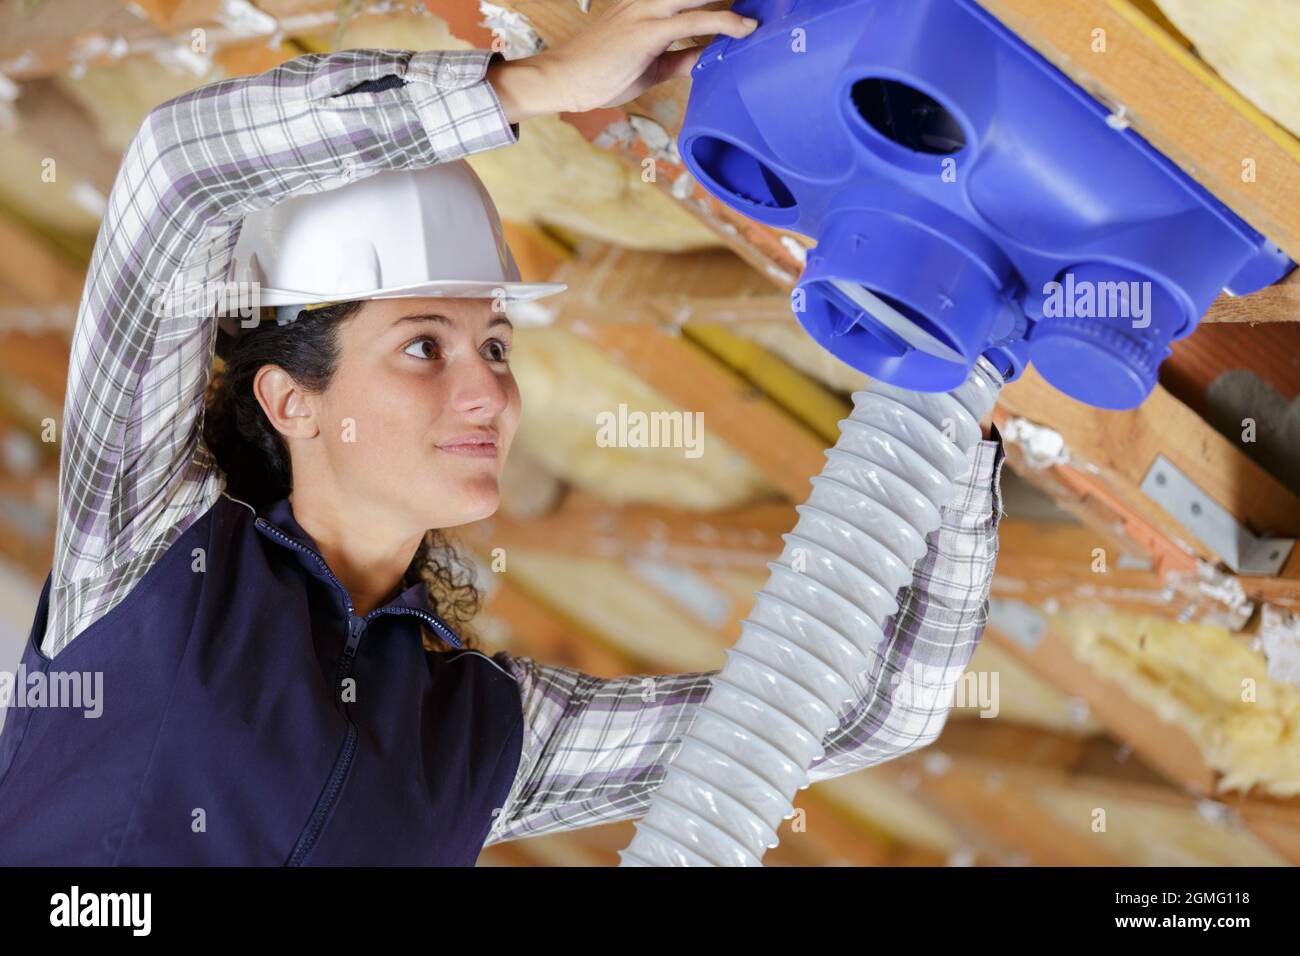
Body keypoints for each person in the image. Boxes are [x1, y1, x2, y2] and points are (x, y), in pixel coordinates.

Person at [0, 0, 1005, 865]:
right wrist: (528, 86)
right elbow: (179, 170)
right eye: (424, 347)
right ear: (289, 400)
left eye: (494, 346)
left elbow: (867, 707)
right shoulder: (143, 561)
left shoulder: (482, 735)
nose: (487, 390)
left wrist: (962, 401)